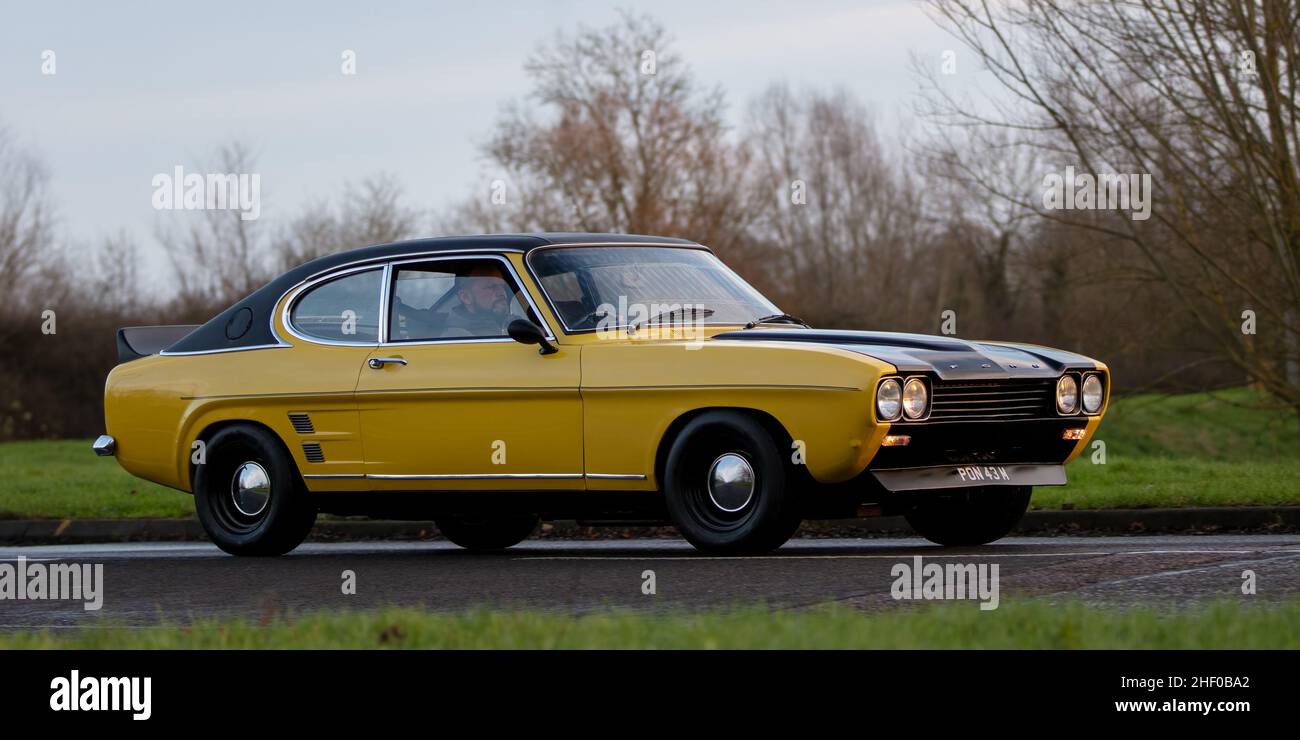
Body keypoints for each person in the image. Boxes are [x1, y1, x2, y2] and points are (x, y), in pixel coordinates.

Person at [441, 263, 513, 337]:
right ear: (465, 297)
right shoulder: (457, 337)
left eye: (502, 285)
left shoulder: (510, 322)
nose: (501, 292)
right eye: (491, 286)